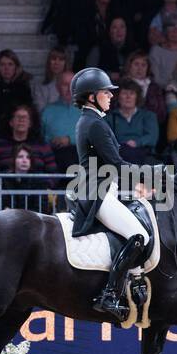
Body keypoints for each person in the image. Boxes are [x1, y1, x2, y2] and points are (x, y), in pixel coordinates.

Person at [68, 67, 151, 322]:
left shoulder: (91, 120)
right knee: (139, 235)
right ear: (92, 96)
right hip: (98, 193)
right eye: (106, 92)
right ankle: (110, 295)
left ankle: (133, 280)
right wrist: (153, 174)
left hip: (103, 189)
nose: (111, 96)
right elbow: (116, 164)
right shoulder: (94, 124)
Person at [0, 104, 57, 173]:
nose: (21, 120)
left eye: (25, 117)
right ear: (11, 122)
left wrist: (44, 185)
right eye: (18, 117)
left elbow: (53, 174)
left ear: (30, 123)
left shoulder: (43, 146)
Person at [106, 78, 161, 160]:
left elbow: (152, 138)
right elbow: (106, 140)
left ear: (137, 97)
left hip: (144, 155)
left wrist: (136, 143)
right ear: (118, 97)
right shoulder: (110, 118)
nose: (128, 97)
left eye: (132, 93)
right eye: (124, 93)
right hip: (119, 155)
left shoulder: (148, 116)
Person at [40, 68, 81, 170]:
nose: (69, 88)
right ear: (57, 87)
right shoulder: (47, 111)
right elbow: (40, 138)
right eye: (65, 85)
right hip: (55, 155)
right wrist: (52, 141)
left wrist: (69, 140)